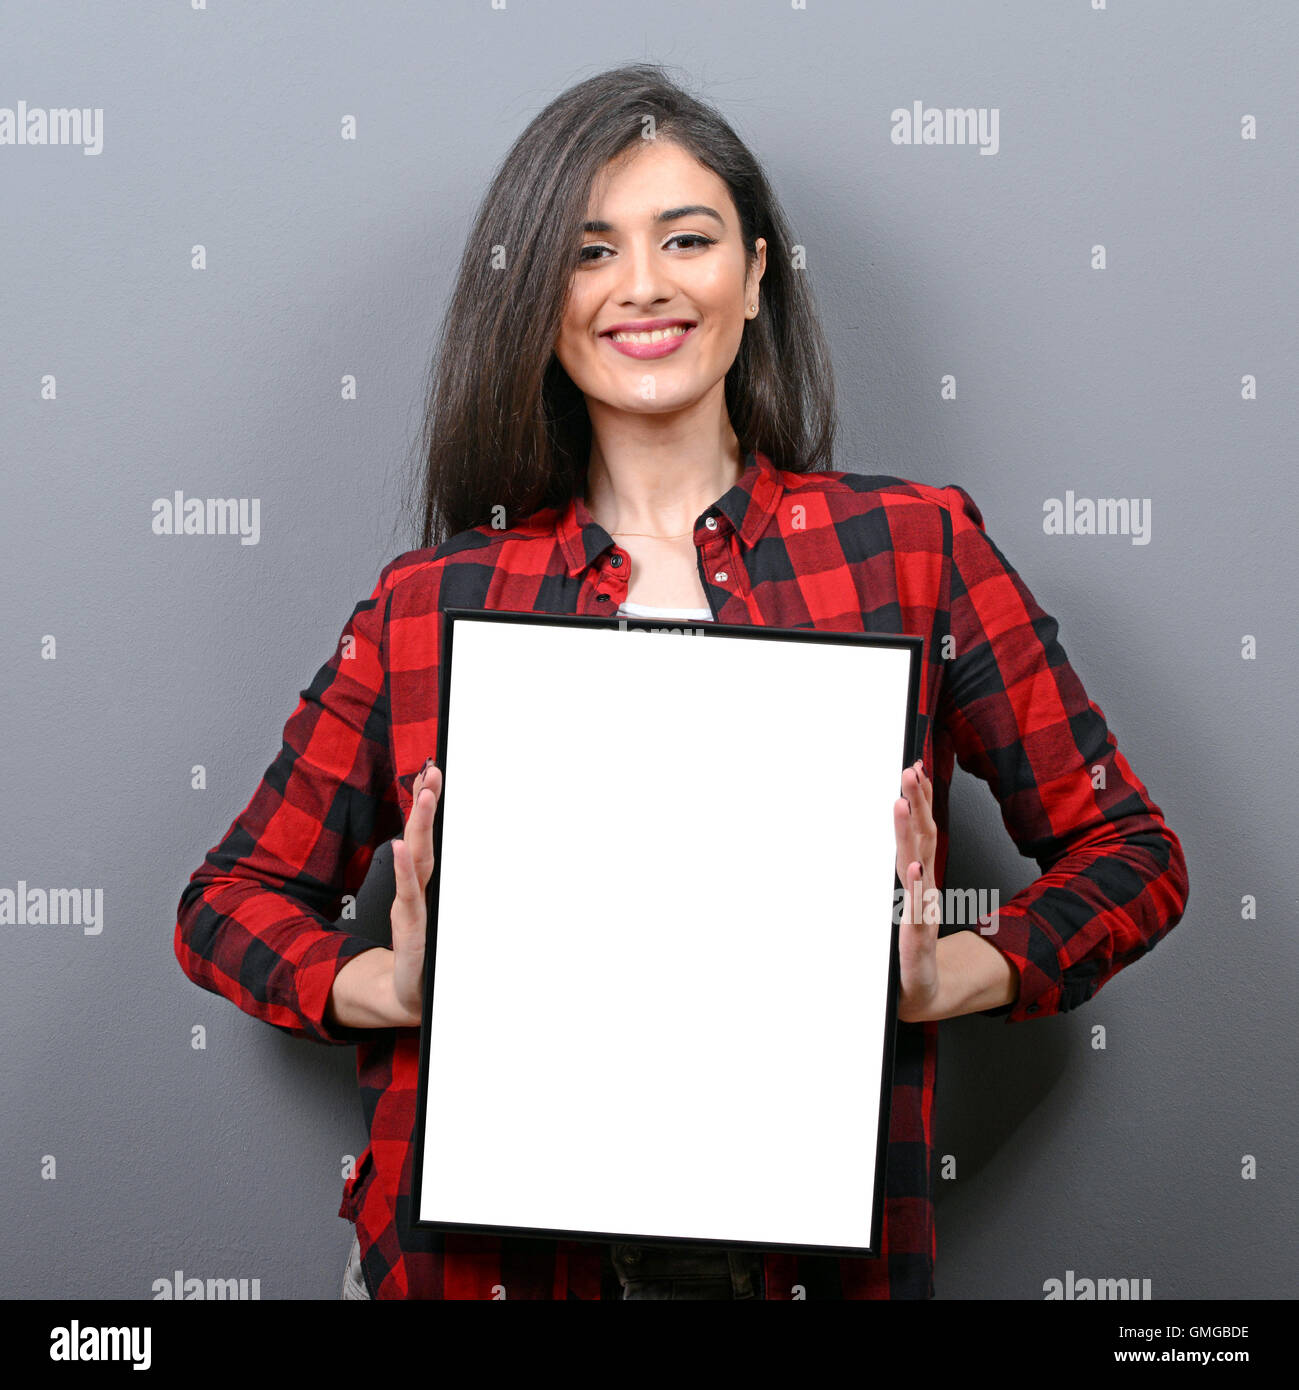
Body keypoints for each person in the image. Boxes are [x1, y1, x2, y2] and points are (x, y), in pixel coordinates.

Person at [174, 62, 1189, 1301]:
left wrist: (947, 975)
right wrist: (386, 981)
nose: (642, 286)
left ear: (756, 274)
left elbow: (1133, 853)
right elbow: (224, 901)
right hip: (484, 1268)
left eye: (687, 239)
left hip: (807, 1260)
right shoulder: (427, 604)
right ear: (538, 299)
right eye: (590, 251)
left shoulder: (916, 551)